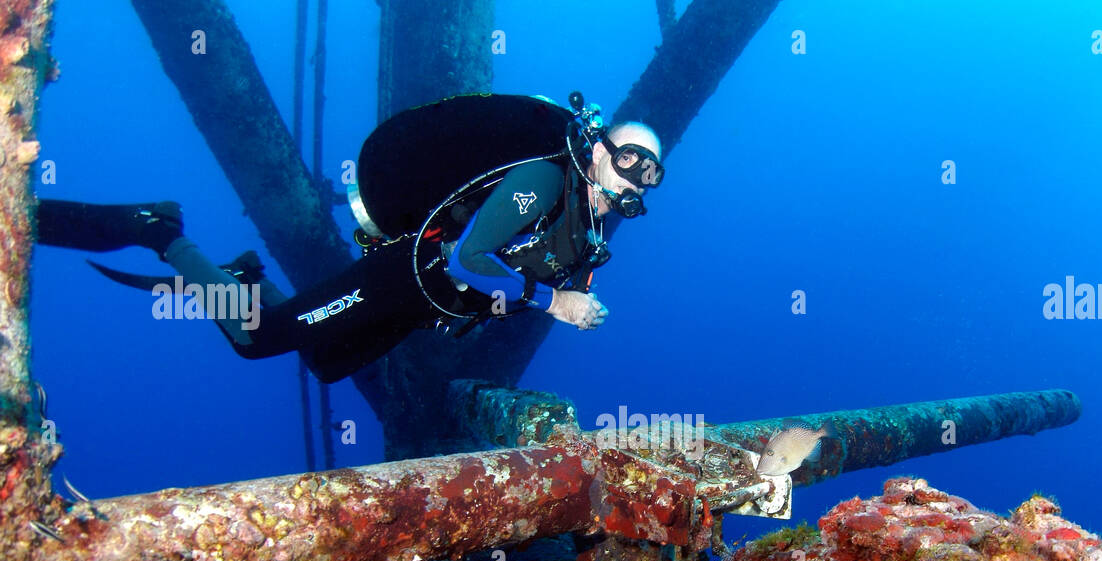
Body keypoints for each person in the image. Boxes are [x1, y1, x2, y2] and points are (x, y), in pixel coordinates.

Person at [35, 93, 664, 382]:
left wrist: (567, 293)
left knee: (327, 363)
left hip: (426, 310)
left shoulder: (590, 227)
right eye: (631, 157)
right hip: (406, 277)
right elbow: (472, 258)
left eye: (653, 170)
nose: (639, 176)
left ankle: (246, 276)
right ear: (598, 148)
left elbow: (515, 272)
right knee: (258, 340)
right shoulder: (545, 180)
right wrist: (557, 304)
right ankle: (164, 234)